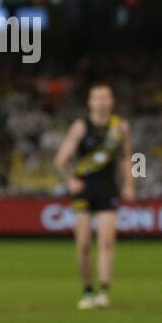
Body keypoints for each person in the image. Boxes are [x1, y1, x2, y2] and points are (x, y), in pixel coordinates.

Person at [53, 84, 135, 309]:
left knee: (107, 241)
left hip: (108, 187)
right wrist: (69, 180)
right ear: (90, 102)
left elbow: (127, 157)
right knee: (83, 245)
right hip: (85, 189)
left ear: (111, 101)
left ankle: (104, 291)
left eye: (105, 98)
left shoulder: (121, 127)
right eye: (97, 98)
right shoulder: (80, 127)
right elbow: (60, 159)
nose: (101, 102)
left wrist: (129, 184)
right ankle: (88, 291)